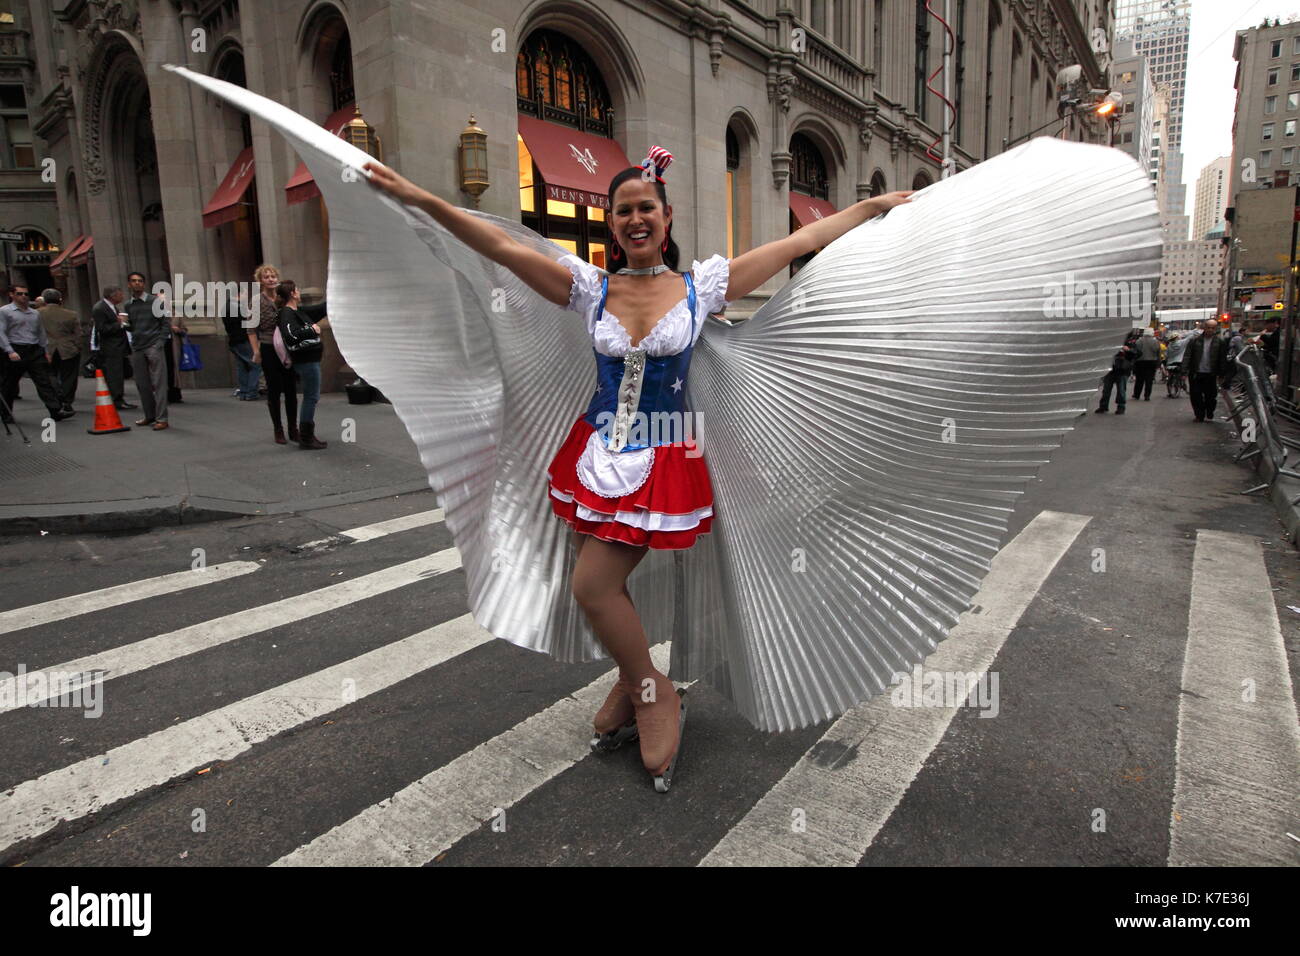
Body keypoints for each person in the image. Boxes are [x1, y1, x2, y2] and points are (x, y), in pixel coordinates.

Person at [366, 147, 914, 782]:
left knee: (592, 587)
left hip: (662, 454)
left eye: (645, 208)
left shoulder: (700, 287)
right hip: (593, 454)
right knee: (607, 588)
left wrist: (871, 207)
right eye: (623, 210)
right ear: (613, 223)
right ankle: (636, 681)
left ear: (667, 216)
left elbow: (801, 240)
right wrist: (421, 198)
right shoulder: (589, 289)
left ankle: (651, 689)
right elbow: (500, 248)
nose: (635, 219)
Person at [0, 283, 72, 423]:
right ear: (12, 295)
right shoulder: (5, 312)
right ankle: (6, 413)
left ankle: (55, 410)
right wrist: (9, 350)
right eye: (20, 294)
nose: (24, 297)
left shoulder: (34, 313)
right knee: (9, 383)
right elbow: (1, 332)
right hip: (16, 348)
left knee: (43, 381)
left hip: (34, 349)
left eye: (26, 294)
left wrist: (46, 351)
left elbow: (41, 333)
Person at [274, 279, 327, 450]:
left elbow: (320, 309)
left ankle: (307, 436)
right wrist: (312, 330)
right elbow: (291, 336)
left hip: (309, 360)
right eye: (297, 289)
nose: (299, 292)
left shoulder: (298, 311)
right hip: (306, 361)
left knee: (312, 397)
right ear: (292, 293)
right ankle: (306, 437)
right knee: (311, 397)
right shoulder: (287, 313)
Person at [249, 263, 298, 444]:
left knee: (291, 389)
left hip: (287, 347)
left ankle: (294, 428)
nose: (271, 279)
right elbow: (251, 330)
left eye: (273, 276)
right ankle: (278, 429)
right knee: (274, 390)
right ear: (261, 280)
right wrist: (256, 351)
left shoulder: (284, 298)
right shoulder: (256, 302)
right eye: (266, 277)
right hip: (269, 347)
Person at [124, 271, 171, 430]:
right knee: (142, 384)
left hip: (153, 345)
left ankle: (162, 418)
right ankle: (149, 415)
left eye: (140, 281)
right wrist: (124, 324)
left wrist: (159, 343)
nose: (137, 283)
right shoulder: (128, 305)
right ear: (129, 284)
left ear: (144, 284)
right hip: (137, 347)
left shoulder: (155, 301)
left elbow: (165, 323)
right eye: (134, 281)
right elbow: (132, 326)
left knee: (159, 383)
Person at [37, 288, 82, 414]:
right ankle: (67, 401)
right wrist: (78, 346)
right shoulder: (71, 314)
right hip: (68, 348)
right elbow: (78, 333)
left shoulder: (37, 314)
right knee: (69, 376)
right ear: (60, 299)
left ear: (44, 300)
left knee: (50, 374)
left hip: (47, 348)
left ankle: (57, 395)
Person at [91, 286, 135, 410]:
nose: (122, 297)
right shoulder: (100, 308)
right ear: (113, 295)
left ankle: (118, 398)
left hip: (118, 346)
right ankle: (117, 400)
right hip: (111, 348)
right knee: (114, 374)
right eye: (120, 294)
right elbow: (102, 329)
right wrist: (119, 324)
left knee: (119, 373)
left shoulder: (112, 307)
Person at [1184, 318, 1228, 422]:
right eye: (1208, 327)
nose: (1210, 330)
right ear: (1204, 328)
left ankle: (1209, 411)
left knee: (1211, 396)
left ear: (1215, 329)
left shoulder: (1220, 342)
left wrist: (1222, 374)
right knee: (1196, 395)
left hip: (1211, 374)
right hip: (1196, 373)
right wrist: (1184, 371)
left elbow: (1222, 359)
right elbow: (1187, 356)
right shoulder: (1195, 341)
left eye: (1212, 328)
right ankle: (1199, 415)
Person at [224, 294, 261, 400]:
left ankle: (244, 392)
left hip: (234, 341)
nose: (246, 296)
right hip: (244, 339)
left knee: (242, 367)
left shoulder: (225, 307)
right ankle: (251, 392)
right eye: (245, 294)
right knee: (255, 365)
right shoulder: (238, 307)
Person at [1096, 334, 1137, 414]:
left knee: (1121, 390)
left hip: (1122, 370)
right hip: (1110, 369)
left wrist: (1128, 350)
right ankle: (1103, 406)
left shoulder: (1129, 343)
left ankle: (1121, 407)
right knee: (1106, 390)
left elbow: (1137, 353)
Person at [1130, 327, 1161, 400]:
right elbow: (1158, 353)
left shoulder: (1139, 341)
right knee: (1149, 380)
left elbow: (1135, 352)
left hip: (1140, 362)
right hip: (1152, 362)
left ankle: (1137, 394)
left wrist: (1134, 362)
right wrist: (1158, 363)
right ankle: (1147, 396)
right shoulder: (1156, 342)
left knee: (1139, 379)